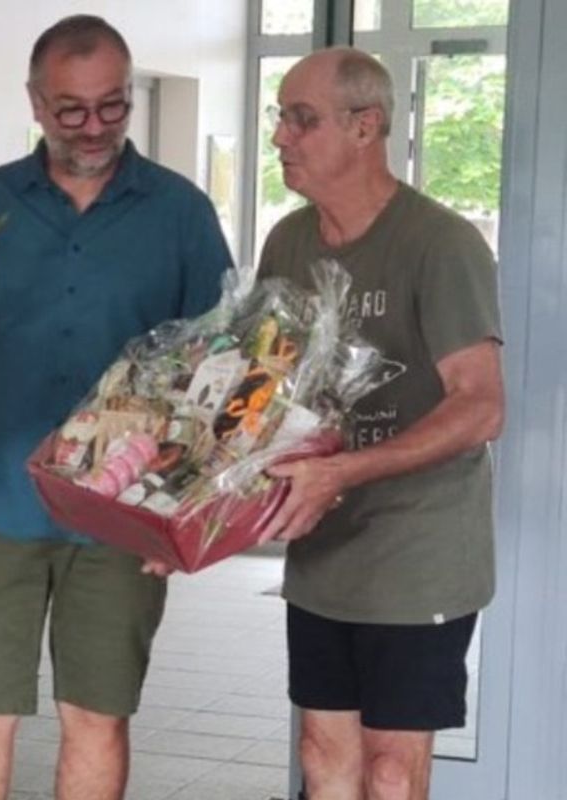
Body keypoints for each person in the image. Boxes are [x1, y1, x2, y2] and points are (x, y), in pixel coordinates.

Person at [0, 15, 232, 800]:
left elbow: (216, 375)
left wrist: (185, 514)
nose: (94, 128)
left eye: (113, 106)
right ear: (36, 104)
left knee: (98, 717)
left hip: (120, 514)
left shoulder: (180, 212)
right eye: (71, 110)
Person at [257, 48, 505, 800]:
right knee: (321, 752)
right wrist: (190, 515)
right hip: (325, 549)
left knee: (392, 768)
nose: (281, 138)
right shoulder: (288, 244)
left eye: (302, 119)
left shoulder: (442, 243)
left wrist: (344, 470)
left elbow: (481, 405)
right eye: (280, 117)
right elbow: (260, 394)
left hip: (418, 549)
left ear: (366, 126)